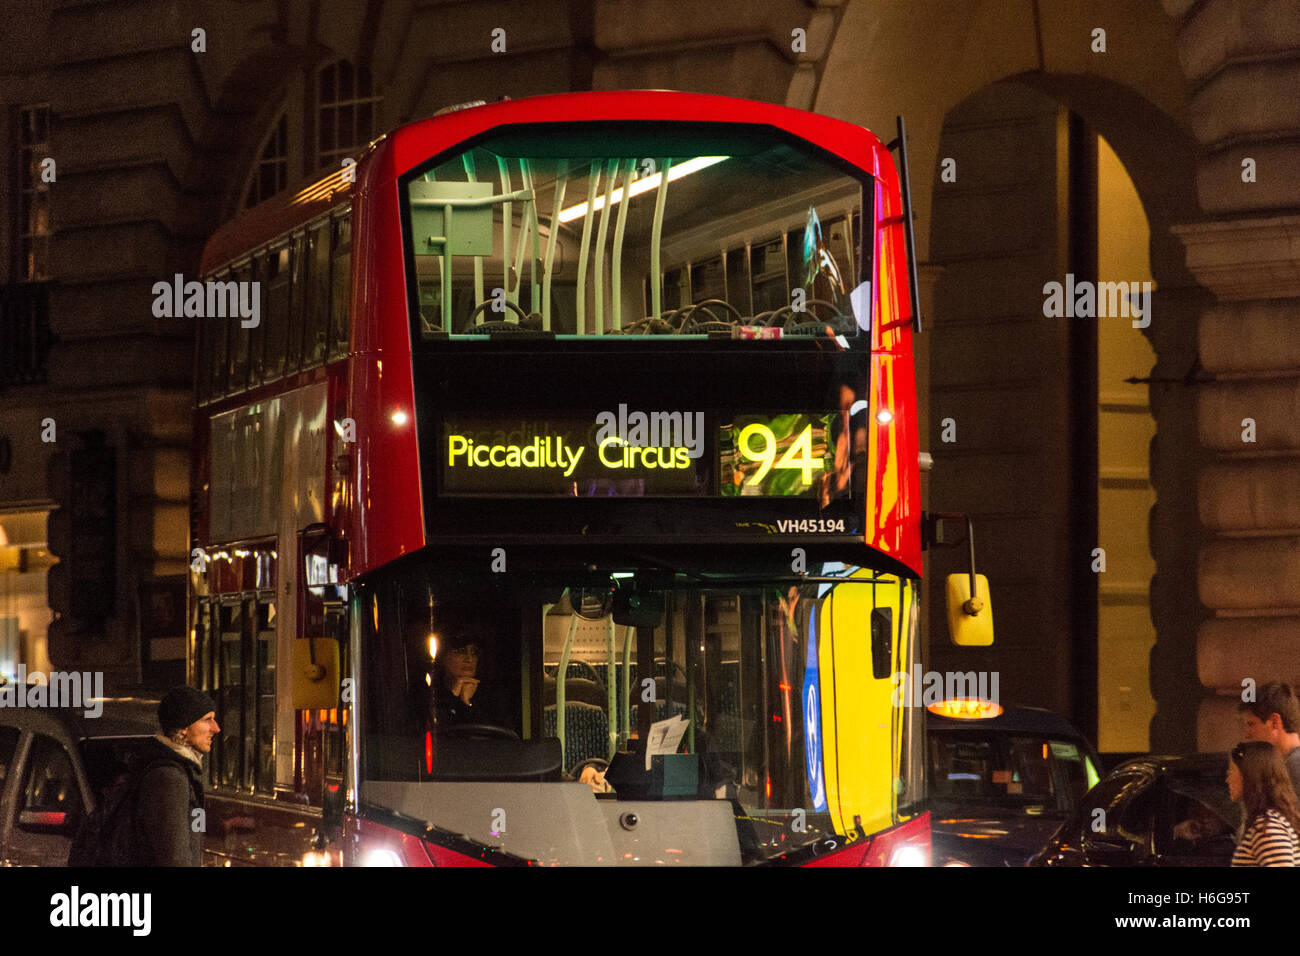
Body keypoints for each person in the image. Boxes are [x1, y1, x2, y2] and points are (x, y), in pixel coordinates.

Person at [135, 686, 219, 866]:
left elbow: (187, 825)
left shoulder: (182, 770)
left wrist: (222, 825)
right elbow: (173, 856)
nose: (216, 728)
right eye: (207, 720)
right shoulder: (169, 777)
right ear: (183, 729)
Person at [1227, 740, 1300, 867]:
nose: (1227, 779)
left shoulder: (1267, 828)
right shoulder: (1268, 823)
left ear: (1249, 776)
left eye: (1232, 772)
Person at [430, 631, 509, 729]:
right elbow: (436, 732)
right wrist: (453, 697)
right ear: (443, 657)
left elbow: (496, 735)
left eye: (474, 652)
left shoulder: (491, 694)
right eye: (461, 651)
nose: (469, 659)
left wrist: (467, 703)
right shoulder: (432, 693)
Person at [1238, 681, 1300, 796]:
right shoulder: (1287, 764)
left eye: (1251, 724)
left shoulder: (1295, 766)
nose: (1247, 734)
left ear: (1275, 721)